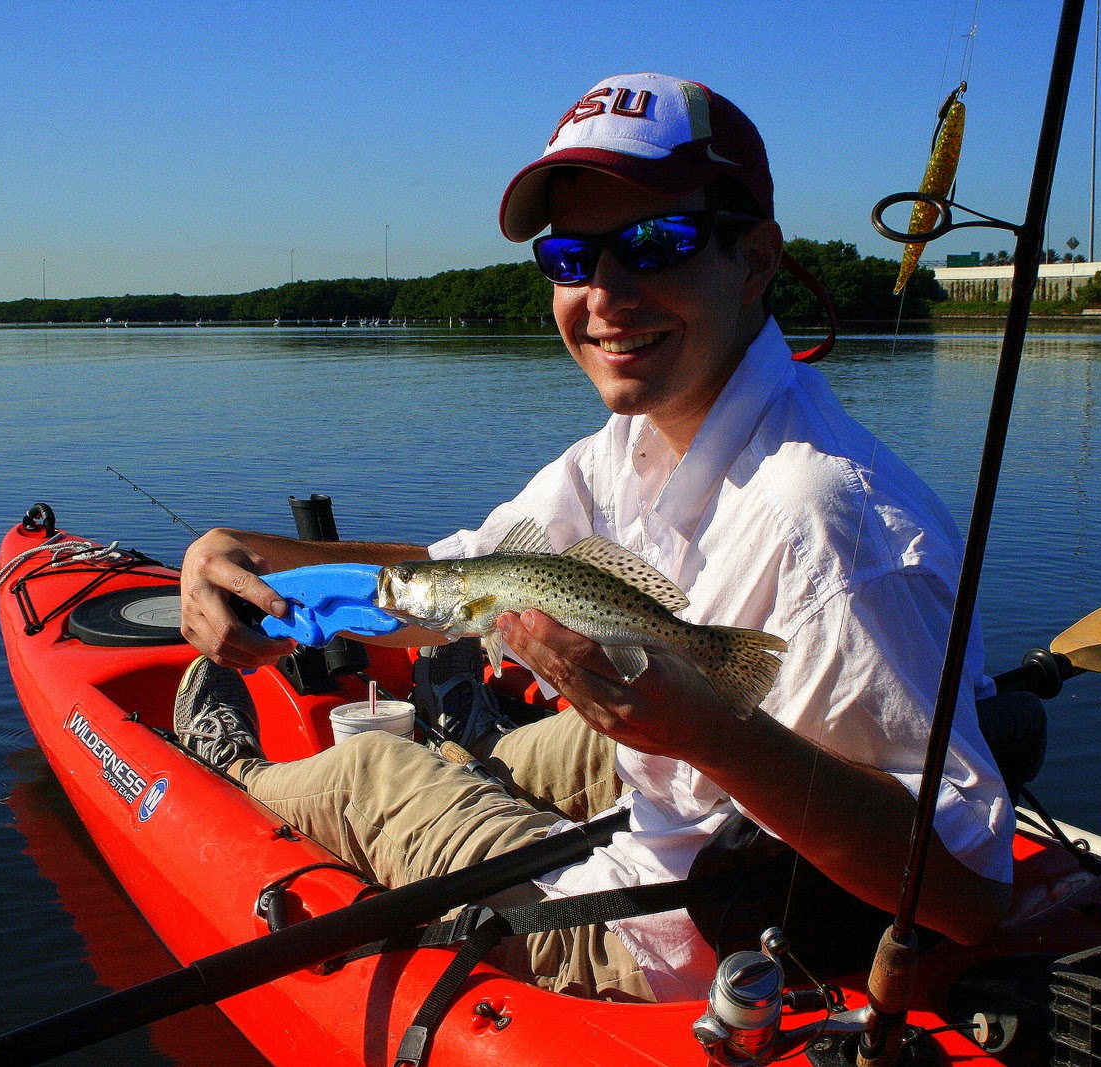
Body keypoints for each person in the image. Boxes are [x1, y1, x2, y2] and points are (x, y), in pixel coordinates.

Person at [176, 72, 1013, 1003]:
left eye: (656, 243)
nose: (604, 294)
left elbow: (973, 895)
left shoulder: (831, 527)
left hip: (675, 931)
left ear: (755, 259)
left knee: (371, 767)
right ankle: (466, 768)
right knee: (489, 759)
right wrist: (249, 552)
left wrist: (708, 730)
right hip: (678, 784)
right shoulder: (637, 440)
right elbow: (455, 582)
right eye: (569, 257)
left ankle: (232, 767)